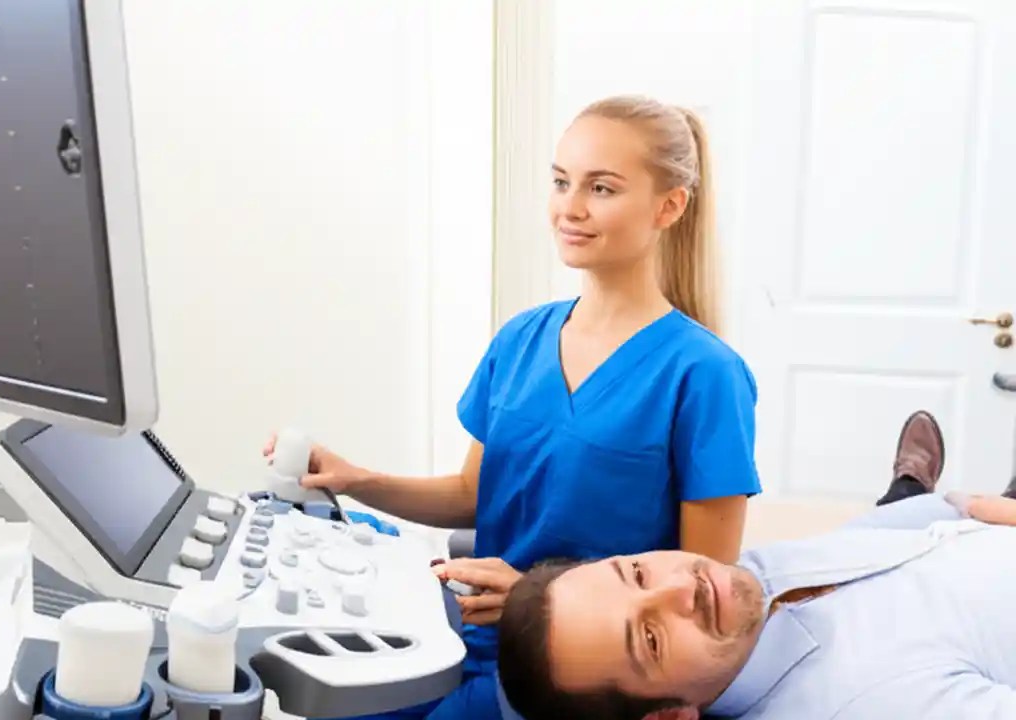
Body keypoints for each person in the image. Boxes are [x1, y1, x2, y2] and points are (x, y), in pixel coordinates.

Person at [265, 94, 762, 720]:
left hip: (558, 680)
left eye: (601, 189)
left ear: (669, 206)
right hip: (463, 631)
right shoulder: (521, 339)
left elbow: (702, 595)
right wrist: (354, 479)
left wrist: (535, 595)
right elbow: (475, 494)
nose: (570, 209)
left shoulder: (706, 374)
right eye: (561, 182)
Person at [494, 410, 1016, 719]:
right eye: (650, 638)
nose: (681, 588)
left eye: (636, 573)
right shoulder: (868, 703)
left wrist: (968, 509)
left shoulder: (745, 591)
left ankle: (909, 490)